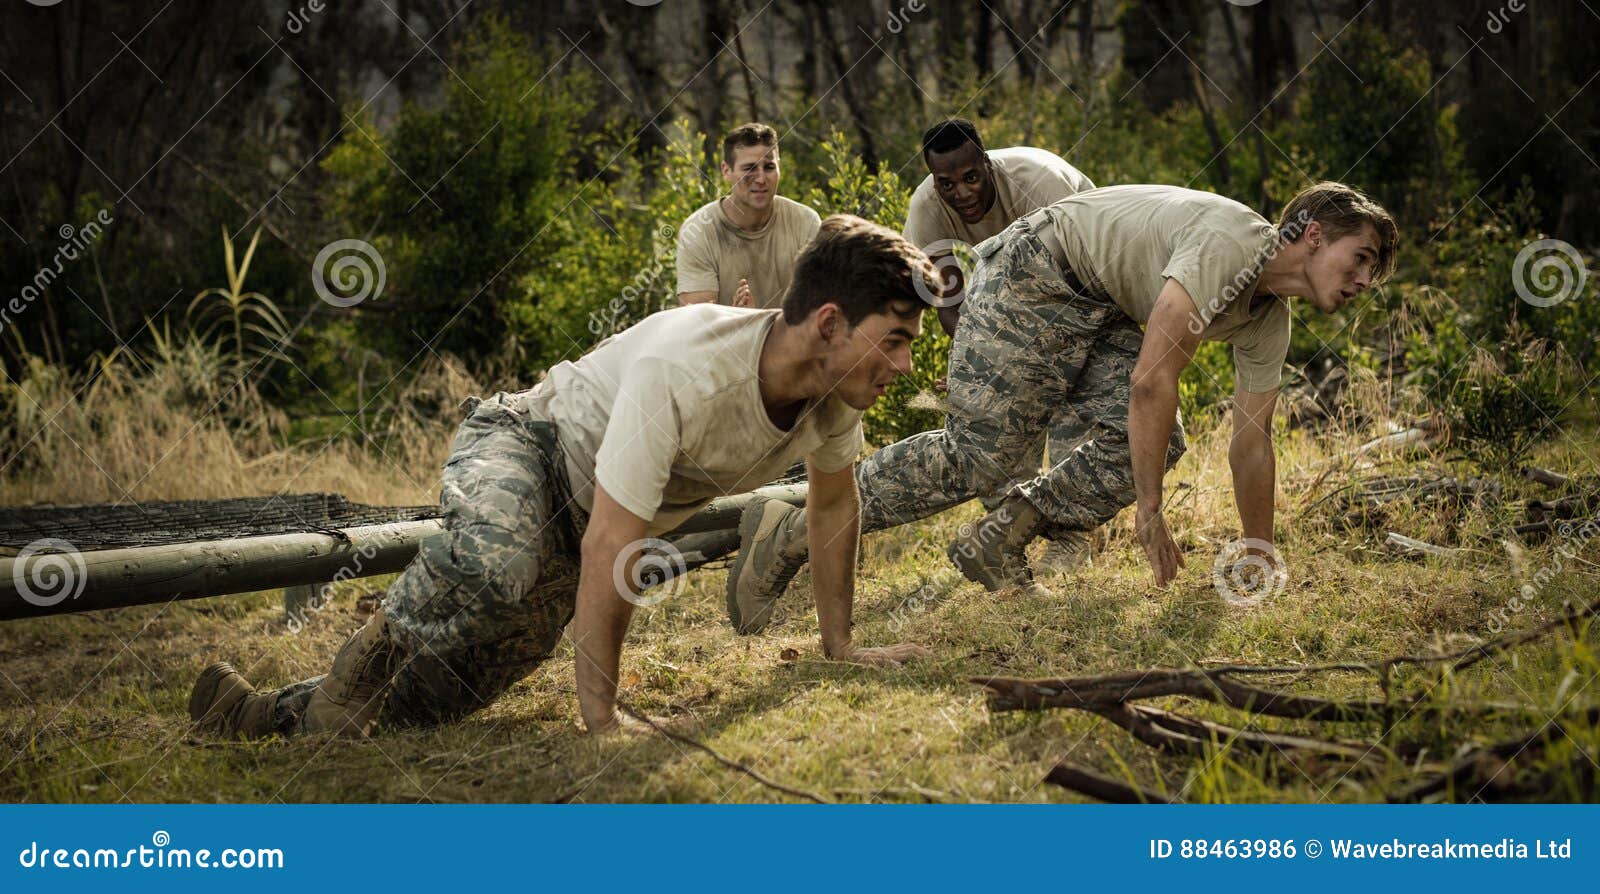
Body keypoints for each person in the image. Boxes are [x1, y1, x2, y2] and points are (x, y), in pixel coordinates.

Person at [190, 215, 941, 740]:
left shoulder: (833, 395)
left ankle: (260, 717)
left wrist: (839, 647)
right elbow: (615, 543)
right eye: (897, 340)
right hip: (527, 446)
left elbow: (834, 505)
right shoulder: (686, 368)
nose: (905, 366)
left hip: (581, 522)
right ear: (832, 323)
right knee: (496, 565)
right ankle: (355, 674)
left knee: (447, 696)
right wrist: (603, 720)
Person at [726, 182, 1397, 630]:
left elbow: (1251, 441)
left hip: (1105, 307)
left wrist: (1259, 548)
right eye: (1360, 257)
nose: (1365, 280)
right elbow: (1150, 384)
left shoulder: (1268, 320)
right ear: (1311, 234)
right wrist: (1151, 512)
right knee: (983, 457)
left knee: (1153, 448)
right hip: (1041, 270)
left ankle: (1001, 538)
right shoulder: (1230, 244)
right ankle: (787, 528)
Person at [904, 117, 1101, 576]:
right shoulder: (927, 208)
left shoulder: (1042, 185)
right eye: (946, 183)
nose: (962, 193)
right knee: (989, 401)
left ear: (987, 163)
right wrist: (972, 362)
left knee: (1072, 398)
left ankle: (1072, 540)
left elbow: (1082, 286)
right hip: (1002, 284)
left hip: (1083, 275)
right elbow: (949, 302)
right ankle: (1016, 529)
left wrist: (1029, 362)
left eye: (971, 177)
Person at [677, 123, 821, 309]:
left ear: (779, 169)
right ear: (726, 171)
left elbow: (819, 310)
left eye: (769, 167)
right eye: (749, 168)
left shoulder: (806, 222)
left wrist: (757, 320)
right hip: (727, 336)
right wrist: (741, 322)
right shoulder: (698, 231)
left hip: (792, 336)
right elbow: (698, 326)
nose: (761, 179)